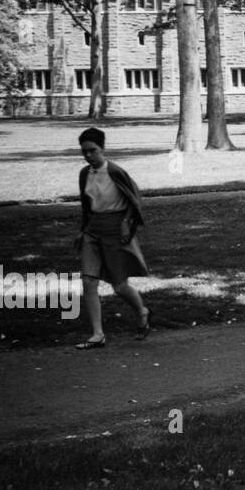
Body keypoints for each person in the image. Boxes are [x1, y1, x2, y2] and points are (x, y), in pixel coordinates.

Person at [74, 127, 151, 349]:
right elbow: (86, 206)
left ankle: (142, 311)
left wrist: (127, 223)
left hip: (115, 229)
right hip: (92, 230)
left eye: (93, 150)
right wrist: (82, 230)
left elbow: (134, 199)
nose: (88, 155)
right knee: (88, 281)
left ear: (103, 149)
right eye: (85, 152)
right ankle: (97, 334)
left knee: (119, 285)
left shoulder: (116, 172)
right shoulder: (84, 174)